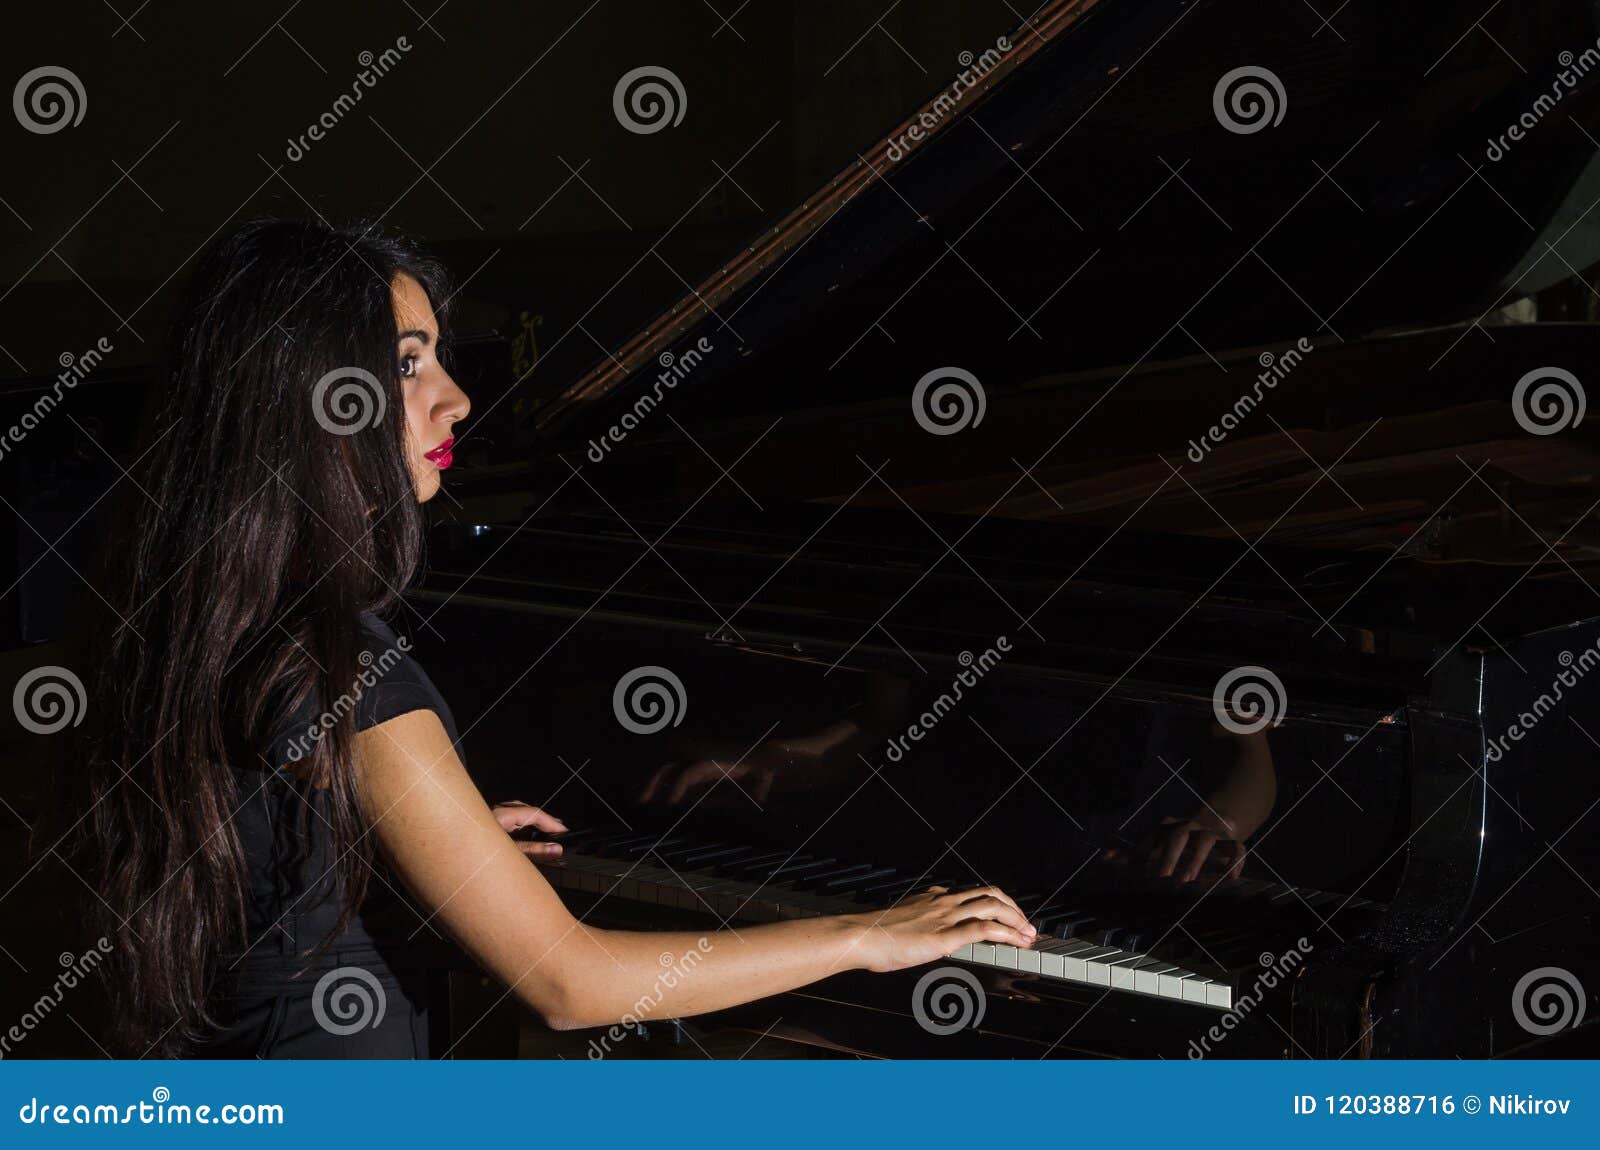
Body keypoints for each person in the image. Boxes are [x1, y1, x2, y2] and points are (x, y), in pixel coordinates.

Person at [64, 218, 1034, 1058]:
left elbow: (259, 849)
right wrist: (865, 934)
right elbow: (573, 984)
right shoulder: (341, 665)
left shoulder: (188, 616)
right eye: (408, 364)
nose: (456, 398)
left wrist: (429, 838)